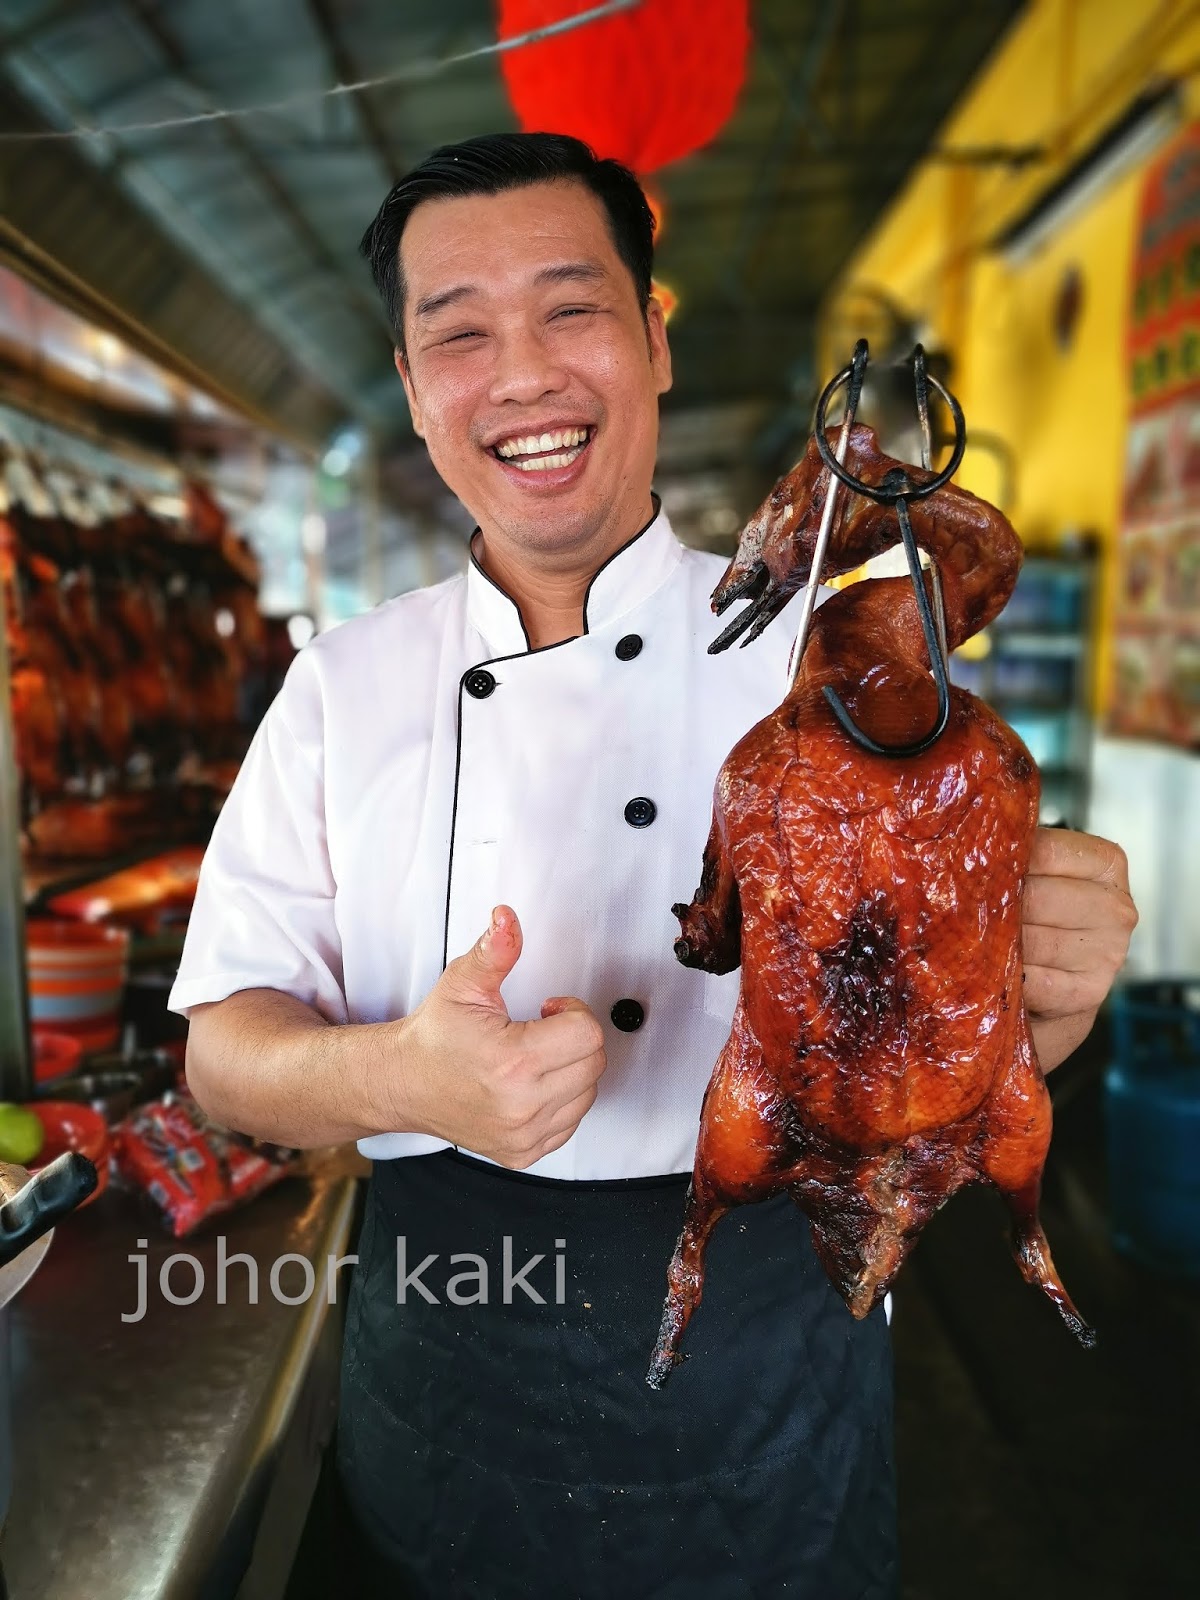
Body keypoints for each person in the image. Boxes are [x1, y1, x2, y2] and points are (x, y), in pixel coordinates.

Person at [170, 134, 1138, 1598]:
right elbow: (224, 1060)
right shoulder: (338, 689)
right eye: (461, 333)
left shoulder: (831, 657)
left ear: (654, 340)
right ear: (418, 392)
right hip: (449, 1339)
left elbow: (973, 1022)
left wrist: (1057, 973)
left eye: (572, 308)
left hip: (767, 1347)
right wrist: (401, 1083)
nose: (525, 374)